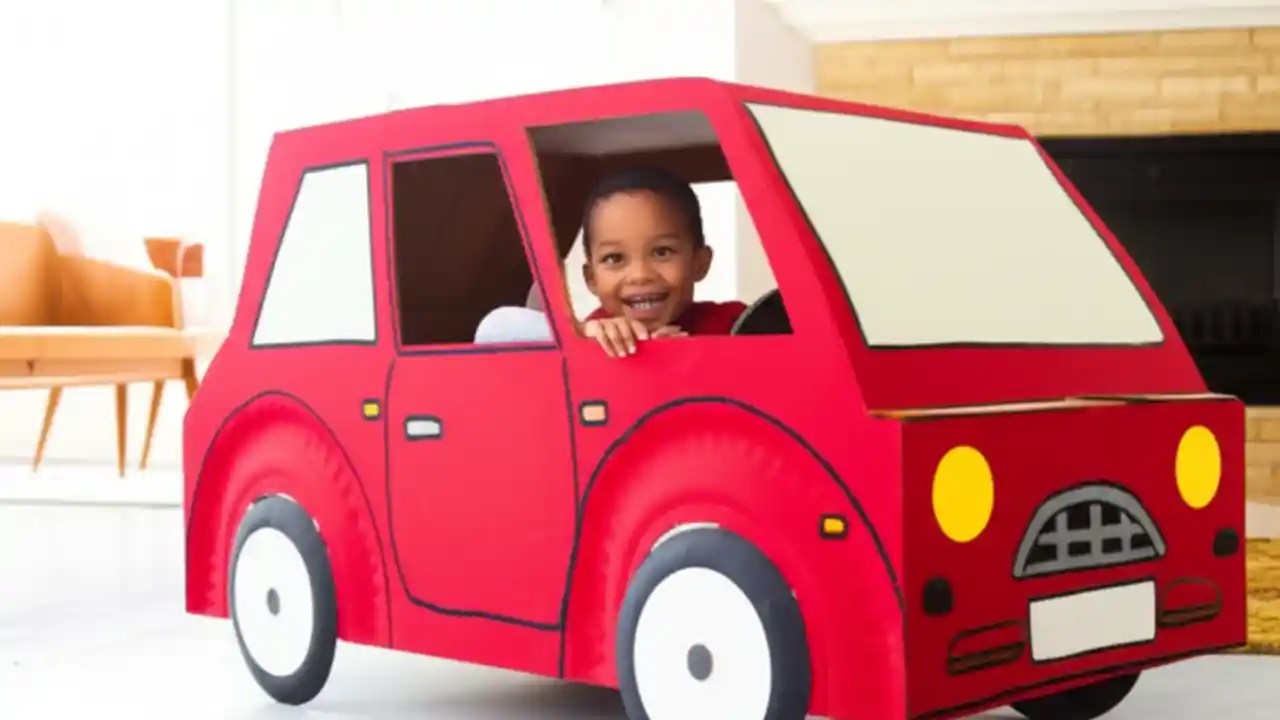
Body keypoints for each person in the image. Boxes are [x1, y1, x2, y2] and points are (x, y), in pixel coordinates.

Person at [577, 166, 746, 357]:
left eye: (662, 252)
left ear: (700, 263)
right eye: (614, 258)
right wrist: (585, 338)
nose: (640, 275)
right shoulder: (590, 337)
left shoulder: (736, 326)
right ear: (591, 278)